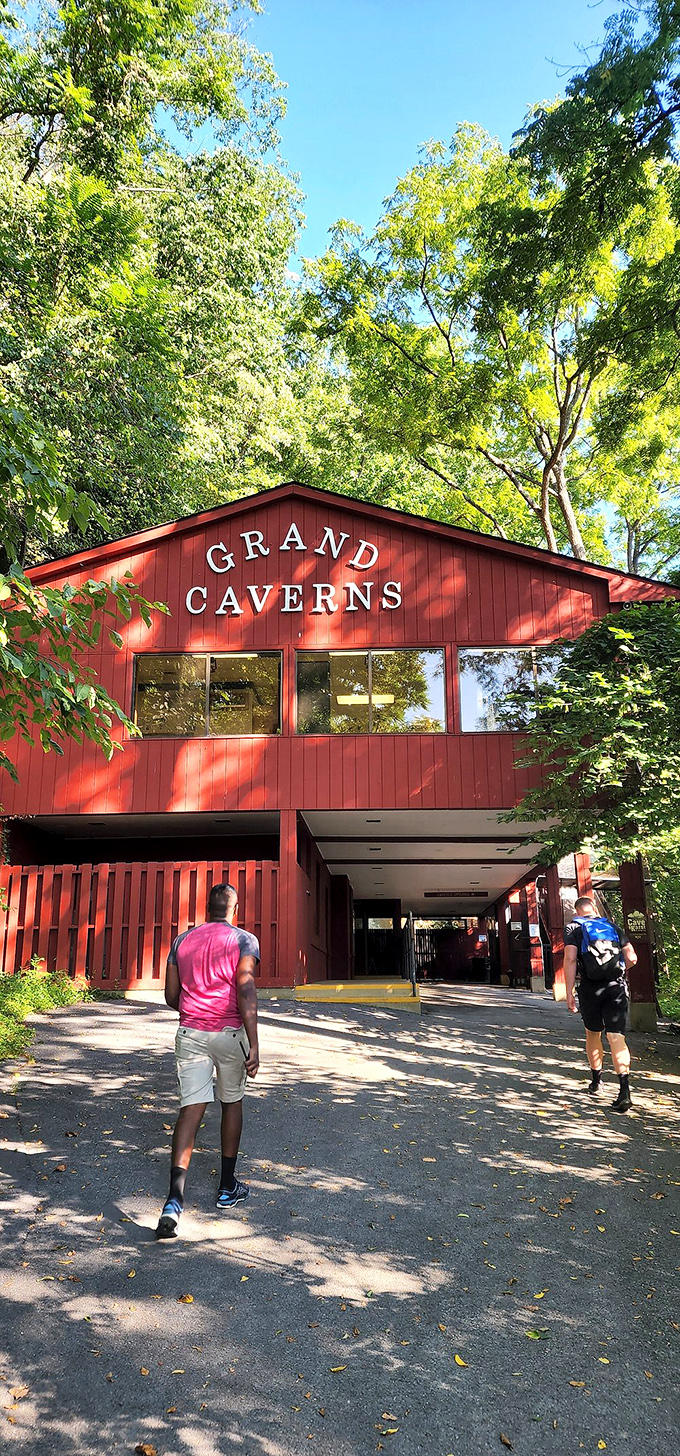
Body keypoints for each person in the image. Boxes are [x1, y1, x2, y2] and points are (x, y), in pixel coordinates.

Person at [155, 882, 260, 1240]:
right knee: (231, 1103)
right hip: (230, 1035)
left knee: (191, 1110)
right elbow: (245, 989)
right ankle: (227, 1188)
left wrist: (194, 1007)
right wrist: (255, 1044)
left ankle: (173, 1202)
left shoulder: (182, 941)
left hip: (191, 1034)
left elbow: (171, 995)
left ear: (208, 907)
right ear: (234, 909)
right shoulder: (244, 940)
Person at [564, 894, 638, 1113]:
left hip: (590, 988)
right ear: (594, 908)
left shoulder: (574, 928)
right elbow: (632, 958)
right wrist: (618, 973)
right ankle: (624, 1090)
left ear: (577, 911)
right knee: (617, 1037)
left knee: (593, 1033)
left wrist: (568, 992)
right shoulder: (612, 926)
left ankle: (597, 1082)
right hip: (616, 987)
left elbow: (569, 959)